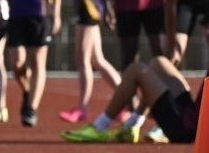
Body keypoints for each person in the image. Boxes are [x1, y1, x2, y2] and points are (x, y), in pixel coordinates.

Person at [62, 36, 207, 144]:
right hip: (192, 116)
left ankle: (99, 127)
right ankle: (133, 125)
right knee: (158, 63)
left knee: (135, 70)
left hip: (186, 128)